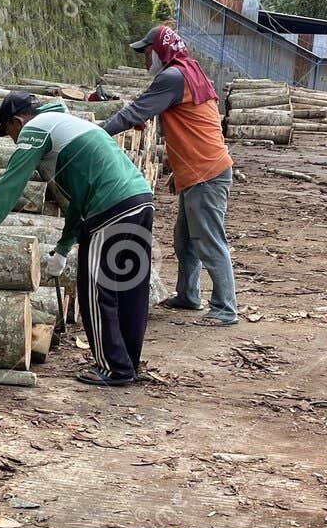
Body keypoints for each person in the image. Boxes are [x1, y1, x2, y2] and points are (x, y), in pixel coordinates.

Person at [0, 92, 154, 387]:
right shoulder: (66, 124)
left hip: (110, 209)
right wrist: (63, 248)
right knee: (129, 286)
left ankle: (114, 368)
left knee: (96, 290)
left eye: (10, 134)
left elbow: (13, 179)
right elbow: (77, 203)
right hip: (140, 199)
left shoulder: (36, 129)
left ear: (17, 121)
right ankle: (127, 364)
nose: (13, 142)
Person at [102, 26, 238, 326]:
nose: (144, 59)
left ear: (160, 50)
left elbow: (134, 112)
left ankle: (225, 309)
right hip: (199, 172)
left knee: (209, 240)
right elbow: (161, 111)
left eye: (146, 52)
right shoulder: (187, 73)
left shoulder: (173, 77)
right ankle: (188, 295)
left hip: (206, 172)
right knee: (185, 241)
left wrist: (94, 134)